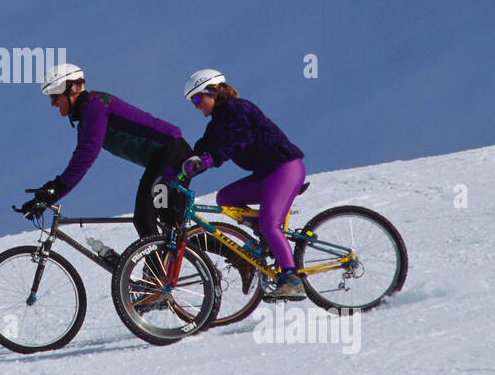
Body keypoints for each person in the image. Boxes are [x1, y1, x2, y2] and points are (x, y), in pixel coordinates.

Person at [19, 63, 191, 248]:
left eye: (54, 96)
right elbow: (80, 160)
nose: (53, 103)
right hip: (166, 159)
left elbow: (87, 153)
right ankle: (172, 270)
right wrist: (50, 193)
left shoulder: (95, 105)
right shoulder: (86, 118)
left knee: (144, 219)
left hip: (171, 155)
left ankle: (159, 275)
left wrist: (55, 189)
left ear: (72, 90)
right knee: (169, 230)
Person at [177, 69, 308, 300]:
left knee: (270, 225)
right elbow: (204, 146)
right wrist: (181, 168)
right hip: (266, 175)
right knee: (225, 198)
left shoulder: (237, 108)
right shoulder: (218, 121)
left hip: (284, 168)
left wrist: (210, 159)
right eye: (192, 102)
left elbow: (239, 138)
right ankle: (267, 233)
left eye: (197, 99)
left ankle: (292, 279)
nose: (196, 106)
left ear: (212, 91)